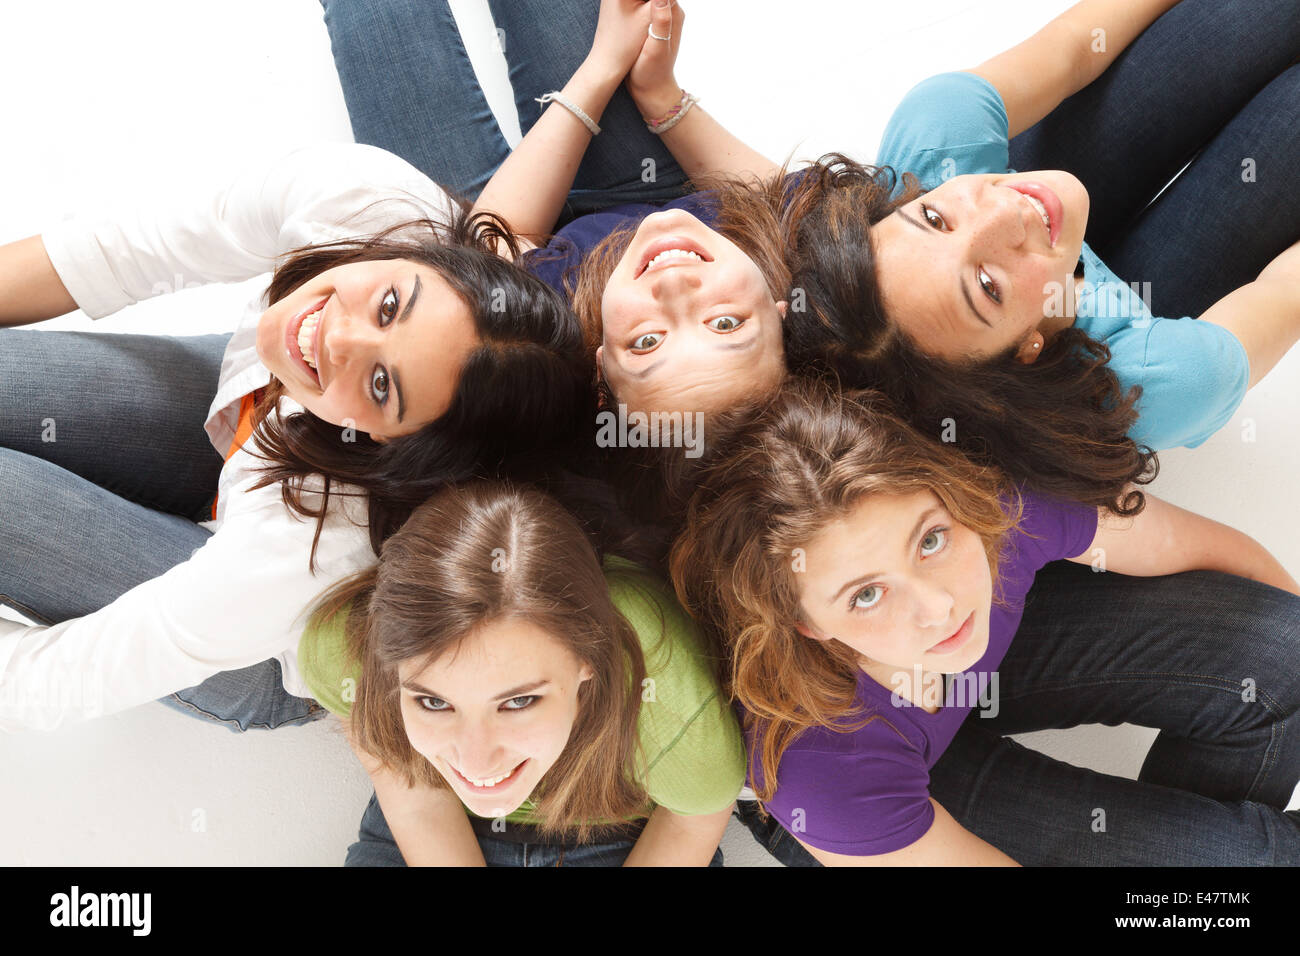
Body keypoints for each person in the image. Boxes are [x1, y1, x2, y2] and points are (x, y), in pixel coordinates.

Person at [0, 142, 591, 732]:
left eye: (382, 385)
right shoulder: (373, 203)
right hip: (257, 414)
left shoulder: (316, 540)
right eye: (389, 306)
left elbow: (68, 675)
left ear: (401, 449)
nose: (337, 337)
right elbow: (114, 252)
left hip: (253, 645)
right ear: (432, 255)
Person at [672, 377, 1300, 865]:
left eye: (931, 540)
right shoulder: (822, 771)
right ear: (807, 624)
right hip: (883, 791)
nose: (938, 606)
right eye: (865, 595)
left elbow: (1221, 557)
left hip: (965, 680)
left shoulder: (1001, 506)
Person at [798, 0, 1300, 454]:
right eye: (986, 286)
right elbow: (1286, 291)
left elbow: (1078, 42)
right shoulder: (1149, 383)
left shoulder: (935, 151)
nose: (1004, 214)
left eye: (934, 219)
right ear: (1025, 350)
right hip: (1119, 330)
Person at [323, 0, 802, 416]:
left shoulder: (555, 348)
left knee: (377, 21)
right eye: (725, 323)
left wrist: (602, 65)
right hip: (647, 179)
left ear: (600, 370)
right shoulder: (805, 277)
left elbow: (486, 244)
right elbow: (783, 196)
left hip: (486, 234)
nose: (673, 284)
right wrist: (660, 96)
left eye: (647, 342)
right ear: (782, 316)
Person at [299, 480, 744, 865]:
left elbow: (694, 818)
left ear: (588, 658)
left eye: (518, 701)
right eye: (433, 702)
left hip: (615, 834)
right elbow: (416, 802)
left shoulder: (657, 672)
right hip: (438, 823)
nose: (476, 761)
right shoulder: (345, 649)